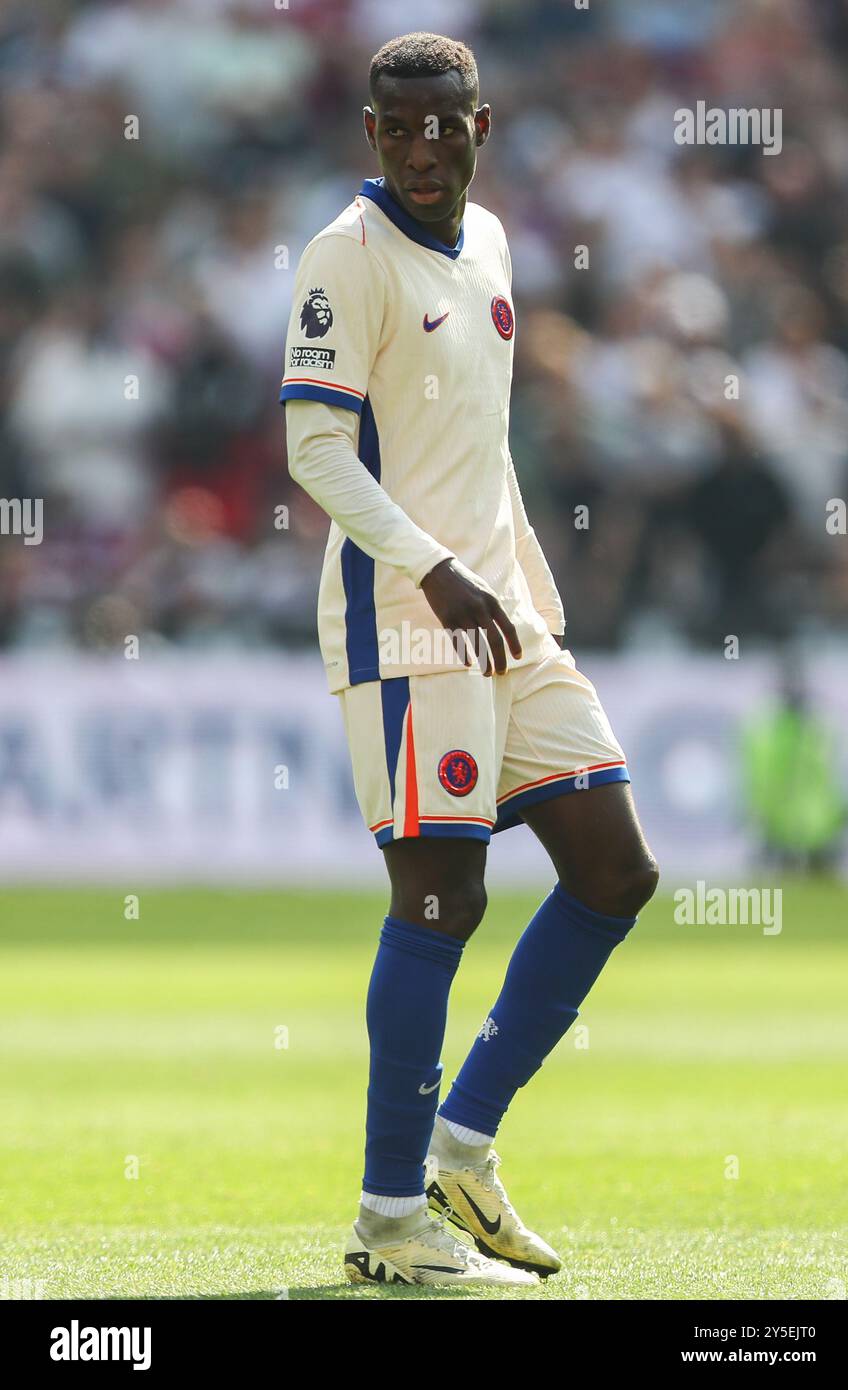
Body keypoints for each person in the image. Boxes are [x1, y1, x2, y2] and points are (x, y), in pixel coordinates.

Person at [281, 31, 658, 1288]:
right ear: (372, 135)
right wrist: (435, 568)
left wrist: (526, 590)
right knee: (439, 900)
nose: (425, 147)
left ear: (480, 127)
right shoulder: (346, 255)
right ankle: (389, 1219)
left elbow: (481, 446)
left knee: (614, 869)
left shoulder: (488, 242)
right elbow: (316, 451)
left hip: (502, 617)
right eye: (401, 127)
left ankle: (462, 1145)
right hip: (403, 625)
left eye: (447, 124)